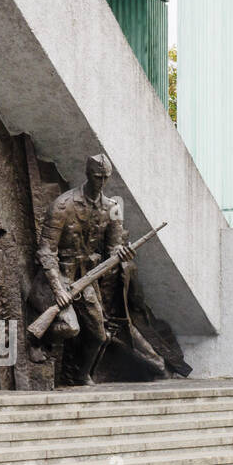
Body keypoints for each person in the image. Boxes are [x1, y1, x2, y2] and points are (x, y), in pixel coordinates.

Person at [27, 153, 137, 385]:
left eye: (106, 177)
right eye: (98, 177)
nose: (102, 182)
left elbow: (114, 246)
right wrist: (58, 290)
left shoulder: (112, 208)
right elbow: (46, 251)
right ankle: (37, 340)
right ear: (88, 174)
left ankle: (81, 374)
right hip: (58, 277)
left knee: (99, 335)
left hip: (87, 279)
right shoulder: (63, 205)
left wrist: (122, 254)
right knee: (69, 327)